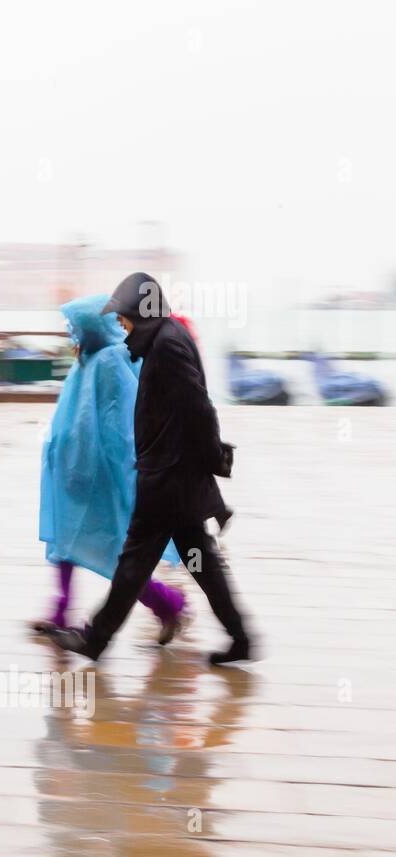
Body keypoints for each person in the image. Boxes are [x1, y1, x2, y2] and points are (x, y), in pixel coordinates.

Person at [48, 273, 253, 666]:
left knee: (135, 563)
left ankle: (95, 639)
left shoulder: (166, 346)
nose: (121, 324)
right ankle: (241, 637)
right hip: (173, 476)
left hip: (168, 477)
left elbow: (199, 407)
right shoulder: (167, 336)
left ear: (140, 312)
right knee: (201, 562)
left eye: (123, 316)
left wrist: (211, 458)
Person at [33, 293, 186, 642]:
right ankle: (60, 611)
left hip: (99, 474)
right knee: (64, 542)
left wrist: (127, 473)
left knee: (115, 553)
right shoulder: (85, 359)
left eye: (76, 326)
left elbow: (117, 424)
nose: (72, 333)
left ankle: (169, 603)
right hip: (73, 471)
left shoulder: (111, 360)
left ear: (91, 325)